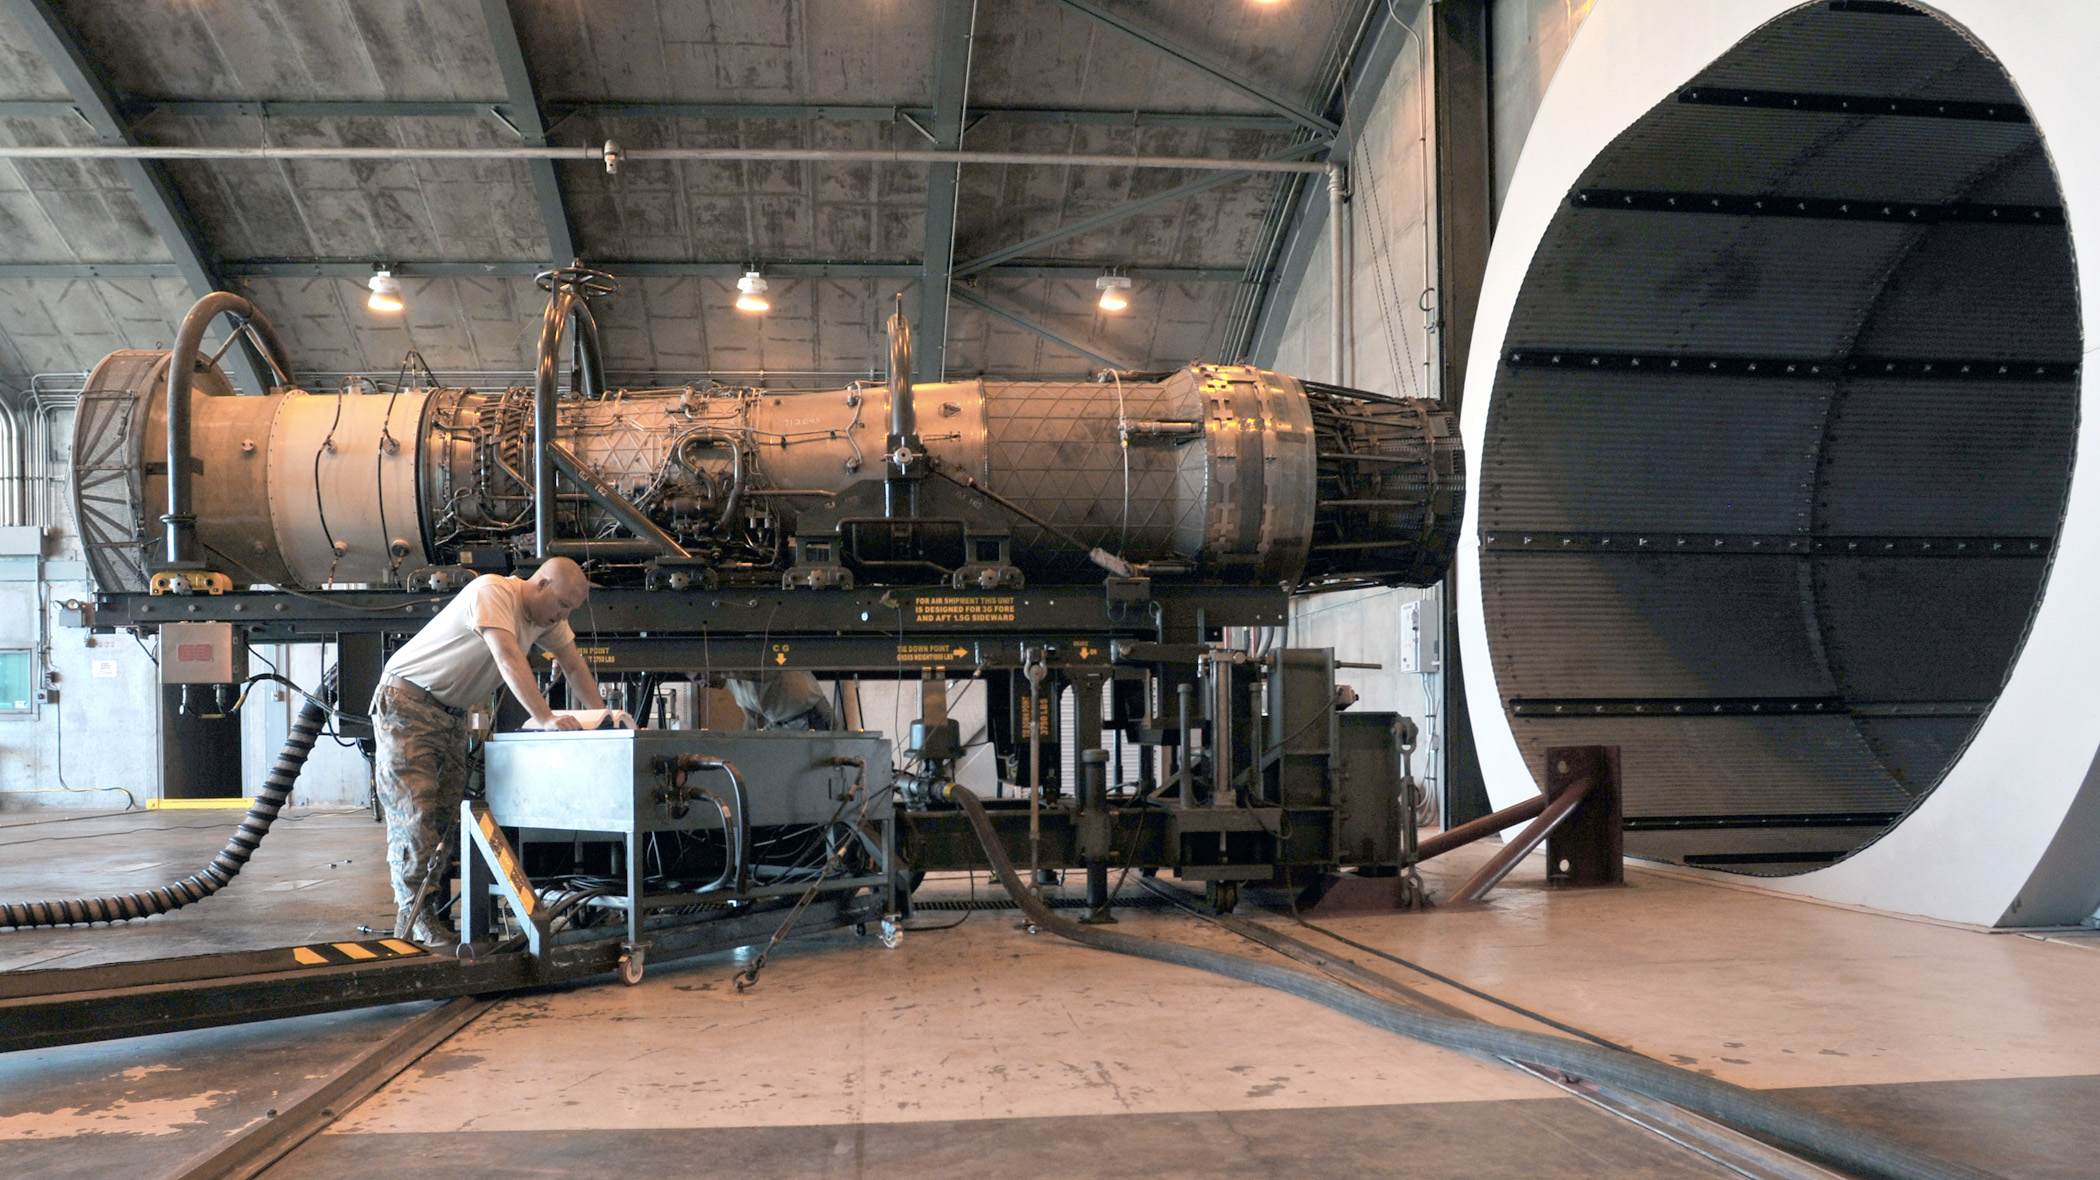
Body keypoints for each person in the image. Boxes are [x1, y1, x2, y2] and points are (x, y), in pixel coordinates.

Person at [369, 557, 605, 947]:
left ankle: (421, 917)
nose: (563, 615)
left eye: (571, 610)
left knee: (445, 818)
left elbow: (574, 666)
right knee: (416, 815)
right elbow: (508, 656)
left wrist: (604, 721)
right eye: (562, 605)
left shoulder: (546, 618)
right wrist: (545, 718)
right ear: (541, 584)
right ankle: (413, 919)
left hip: (450, 715)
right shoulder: (493, 590)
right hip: (407, 704)